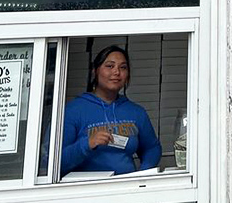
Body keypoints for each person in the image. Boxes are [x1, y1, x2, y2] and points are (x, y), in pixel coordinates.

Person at [61, 45, 162, 176]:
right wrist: (87, 144)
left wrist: (143, 172)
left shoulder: (136, 112)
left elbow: (152, 147)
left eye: (123, 67)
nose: (116, 72)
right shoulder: (73, 111)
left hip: (126, 185)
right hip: (86, 186)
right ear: (95, 71)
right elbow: (52, 162)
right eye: (110, 66)